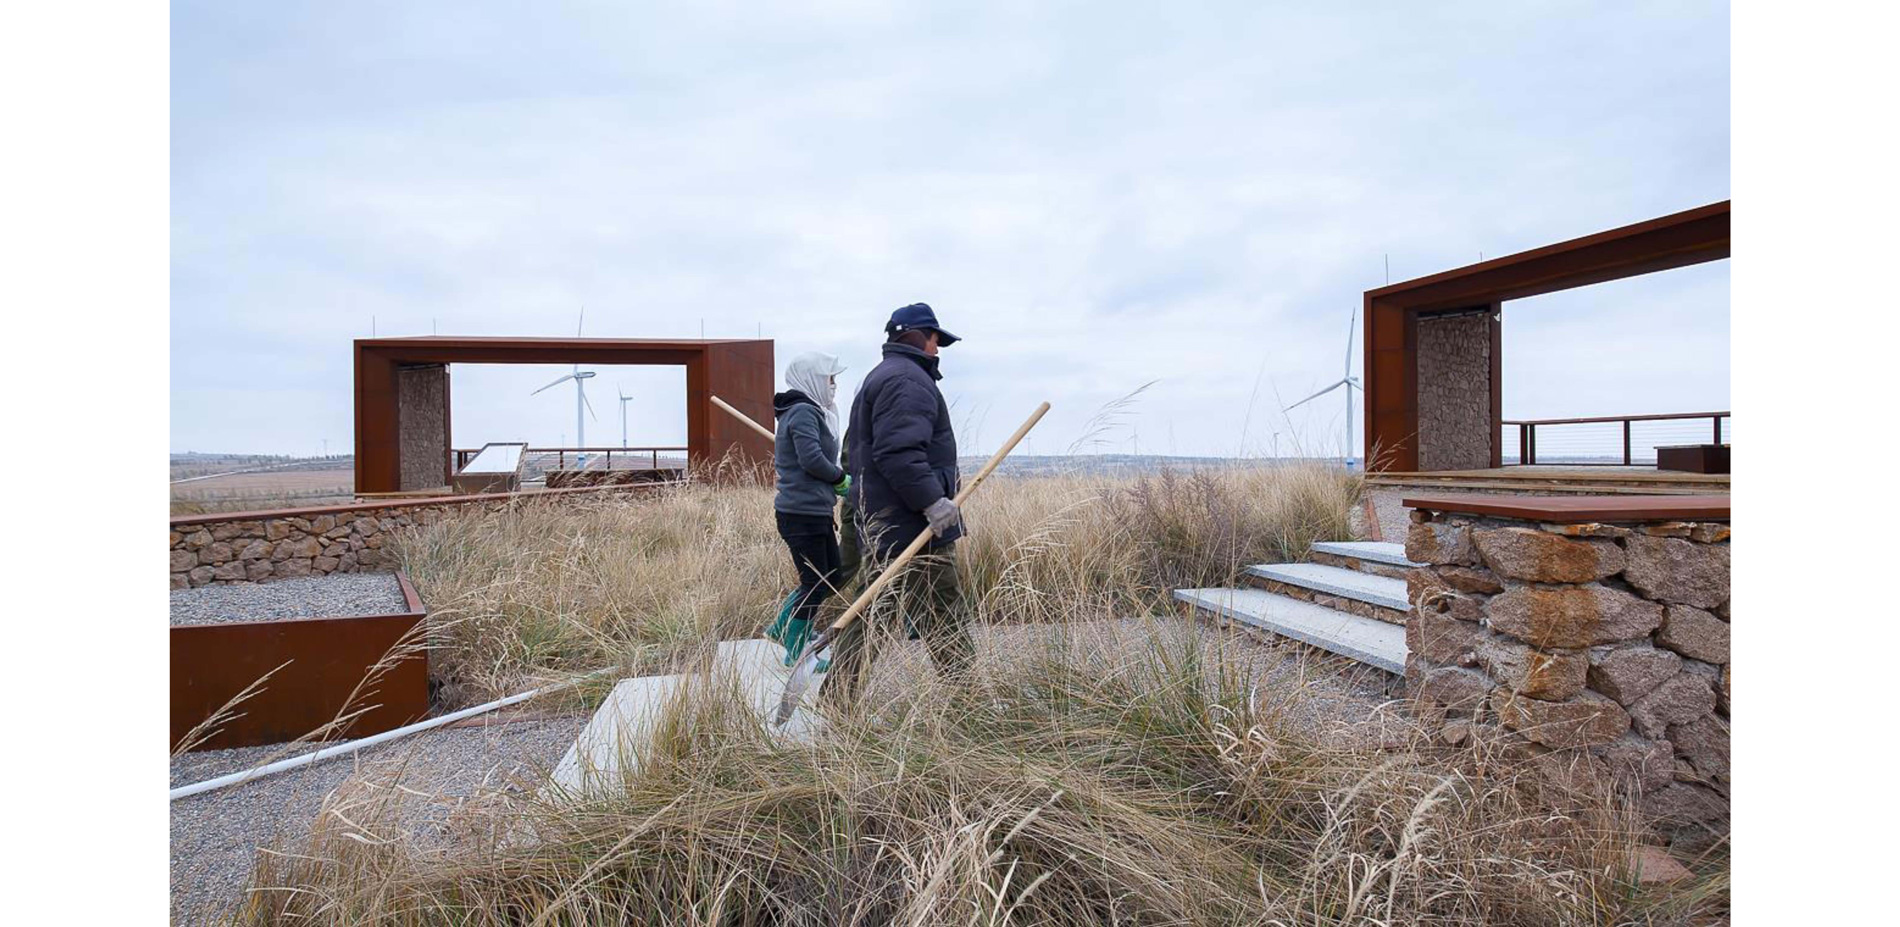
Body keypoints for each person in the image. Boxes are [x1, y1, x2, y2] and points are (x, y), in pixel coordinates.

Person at [822, 302, 972, 707]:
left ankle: (966, 698)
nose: (938, 350)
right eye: (936, 340)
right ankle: (838, 701)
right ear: (919, 337)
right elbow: (899, 454)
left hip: (894, 519)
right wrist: (932, 502)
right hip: (910, 523)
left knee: (906, 608)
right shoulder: (908, 381)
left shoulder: (887, 376)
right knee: (904, 610)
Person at [768, 351, 852, 665]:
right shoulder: (803, 412)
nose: (834, 385)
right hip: (801, 513)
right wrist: (841, 478)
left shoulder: (811, 411)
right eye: (829, 379)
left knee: (828, 576)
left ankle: (782, 627)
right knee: (816, 581)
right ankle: (797, 649)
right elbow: (812, 459)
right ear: (813, 379)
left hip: (813, 511)